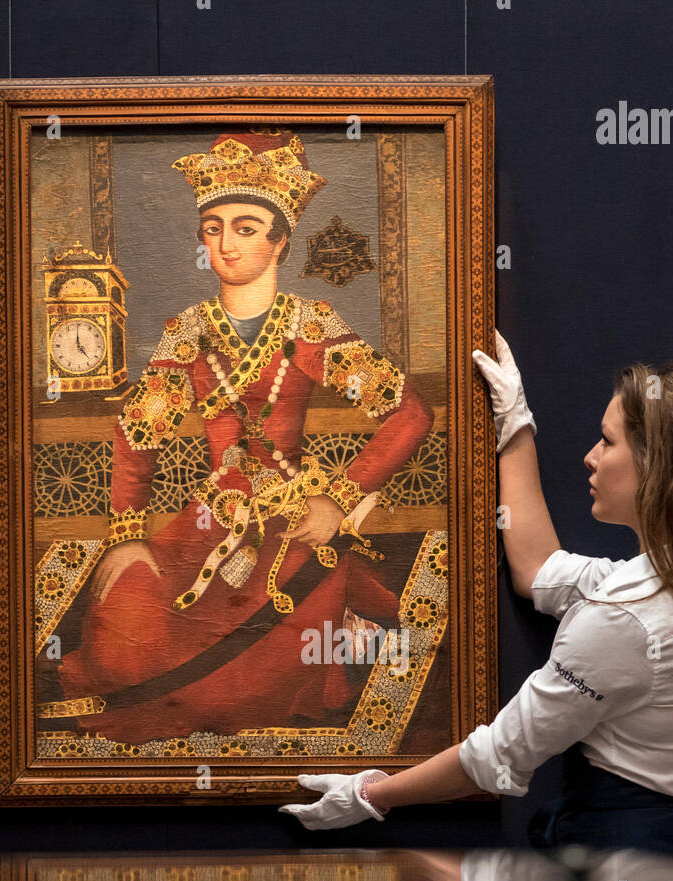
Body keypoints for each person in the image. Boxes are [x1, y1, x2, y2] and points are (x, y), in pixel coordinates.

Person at [282, 335, 673, 873]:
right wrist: (515, 424)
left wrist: (371, 794)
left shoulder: (623, 616)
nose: (590, 457)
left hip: (633, 867)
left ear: (661, 467)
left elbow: (498, 755)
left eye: (608, 443)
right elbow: (540, 569)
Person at [47, 131, 433, 744]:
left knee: (248, 679)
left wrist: (336, 500)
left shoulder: (312, 326)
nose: (225, 244)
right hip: (205, 524)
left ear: (281, 240)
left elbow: (410, 413)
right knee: (123, 645)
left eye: (247, 227)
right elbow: (137, 432)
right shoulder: (188, 332)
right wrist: (126, 536)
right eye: (213, 228)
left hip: (293, 526)